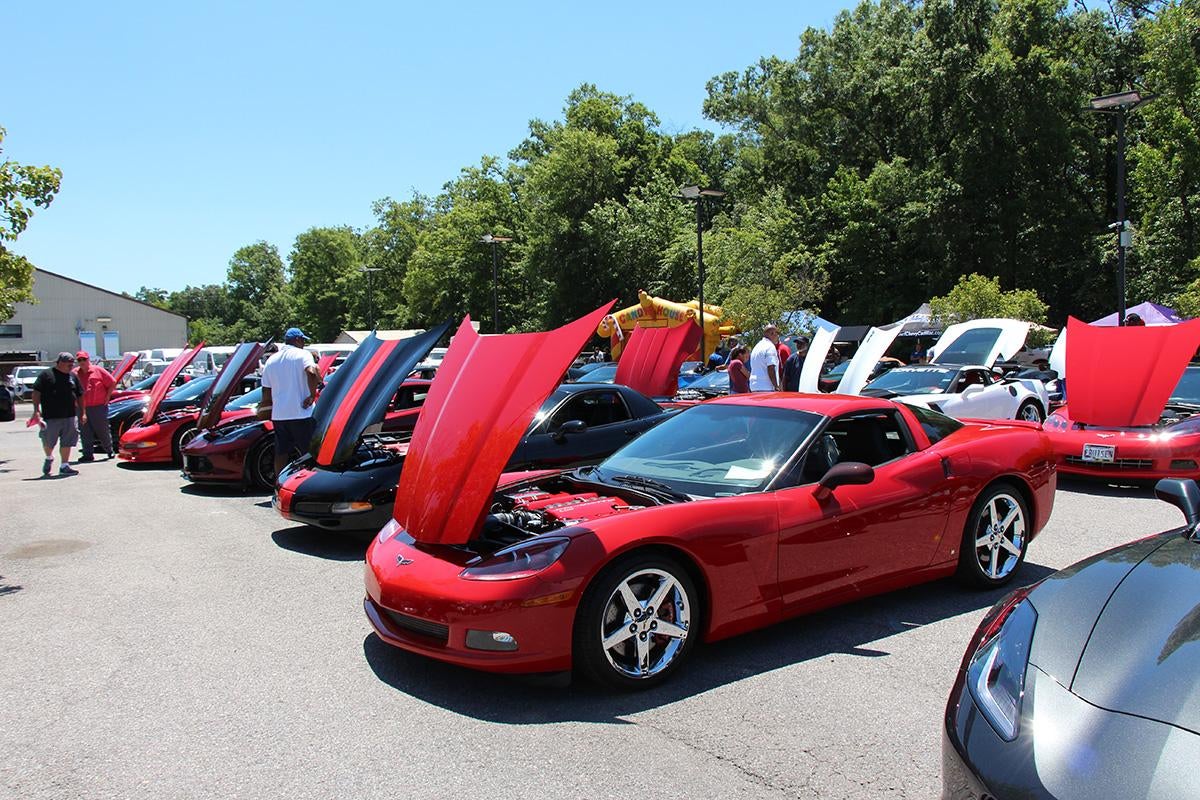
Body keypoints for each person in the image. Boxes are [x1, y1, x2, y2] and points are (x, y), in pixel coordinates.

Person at [260, 327, 320, 478]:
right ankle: (309, 485)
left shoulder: (271, 360)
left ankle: (278, 485)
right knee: (310, 453)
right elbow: (312, 373)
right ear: (298, 340)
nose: (304, 344)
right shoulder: (303, 355)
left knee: (281, 453)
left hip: (279, 416)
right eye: (303, 341)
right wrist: (312, 395)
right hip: (302, 414)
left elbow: (266, 391)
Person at [30, 353, 85, 476]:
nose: (71, 366)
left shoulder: (72, 376)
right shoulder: (46, 375)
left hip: (70, 415)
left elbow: (80, 395)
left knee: (67, 441)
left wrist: (83, 413)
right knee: (48, 442)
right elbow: (36, 392)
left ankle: (64, 465)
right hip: (51, 416)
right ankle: (49, 457)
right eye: (68, 364)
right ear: (59, 362)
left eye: (72, 364)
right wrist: (36, 410)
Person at [73, 351, 116, 461]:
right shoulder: (74, 373)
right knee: (84, 431)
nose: (82, 362)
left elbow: (112, 382)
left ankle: (109, 450)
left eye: (84, 359)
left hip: (98, 406)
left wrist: (107, 397)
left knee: (102, 430)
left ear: (88, 360)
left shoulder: (98, 370)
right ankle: (88, 454)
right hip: (82, 408)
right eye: (79, 360)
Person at [749, 325, 782, 392]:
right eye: (777, 333)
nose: (778, 336)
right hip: (766, 387)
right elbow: (771, 368)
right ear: (772, 333)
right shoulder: (770, 347)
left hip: (754, 386)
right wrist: (776, 386)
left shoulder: (757, 346)